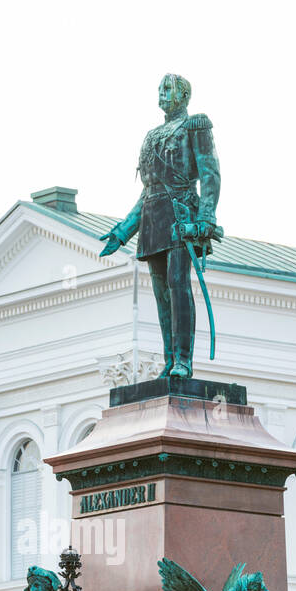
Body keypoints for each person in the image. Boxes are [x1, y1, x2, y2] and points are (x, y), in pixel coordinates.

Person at [99, 74, 221, 378]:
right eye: (159, 90)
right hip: (154, 220)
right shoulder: (152, 135)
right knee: (162, 293)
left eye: (167, 89)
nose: (161, 94)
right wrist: (123, 231)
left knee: (178, 286)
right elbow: (148, 190)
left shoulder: (196, 126)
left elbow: (210, 174)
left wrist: (206, 217)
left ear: (183, 95)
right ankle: (169, 360)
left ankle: (183, 360)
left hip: (181, 217)